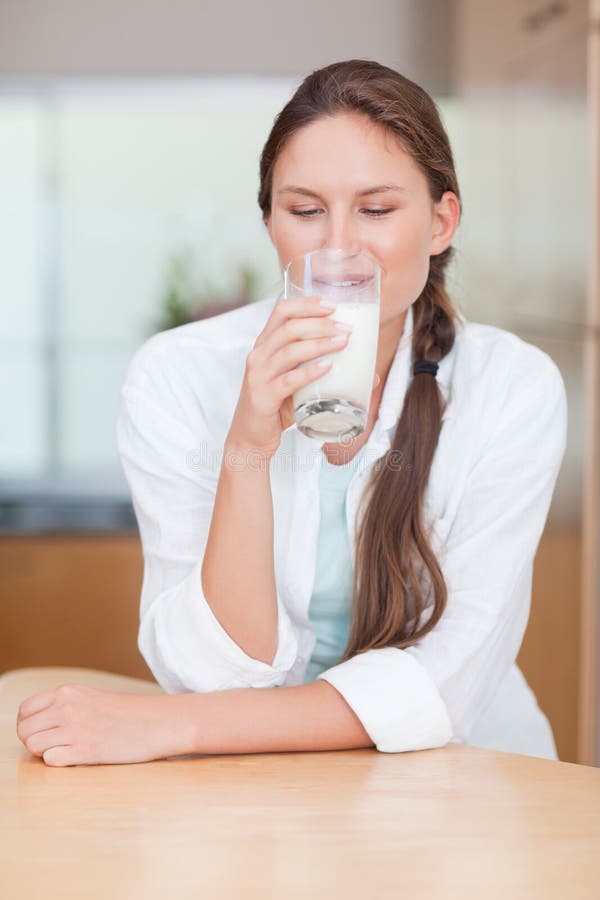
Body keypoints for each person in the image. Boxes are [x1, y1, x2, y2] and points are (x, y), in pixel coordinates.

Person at [16, 59, 566, 767]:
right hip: (259, 782)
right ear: (271, 222)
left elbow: (446, 684)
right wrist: (247, 447)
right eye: (305, 211)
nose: (338, 248)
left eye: (376, 209)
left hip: (465, 772)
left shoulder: (512, 387)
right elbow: (213, 676)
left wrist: (173, 728)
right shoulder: (179, 375)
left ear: (440, 222)